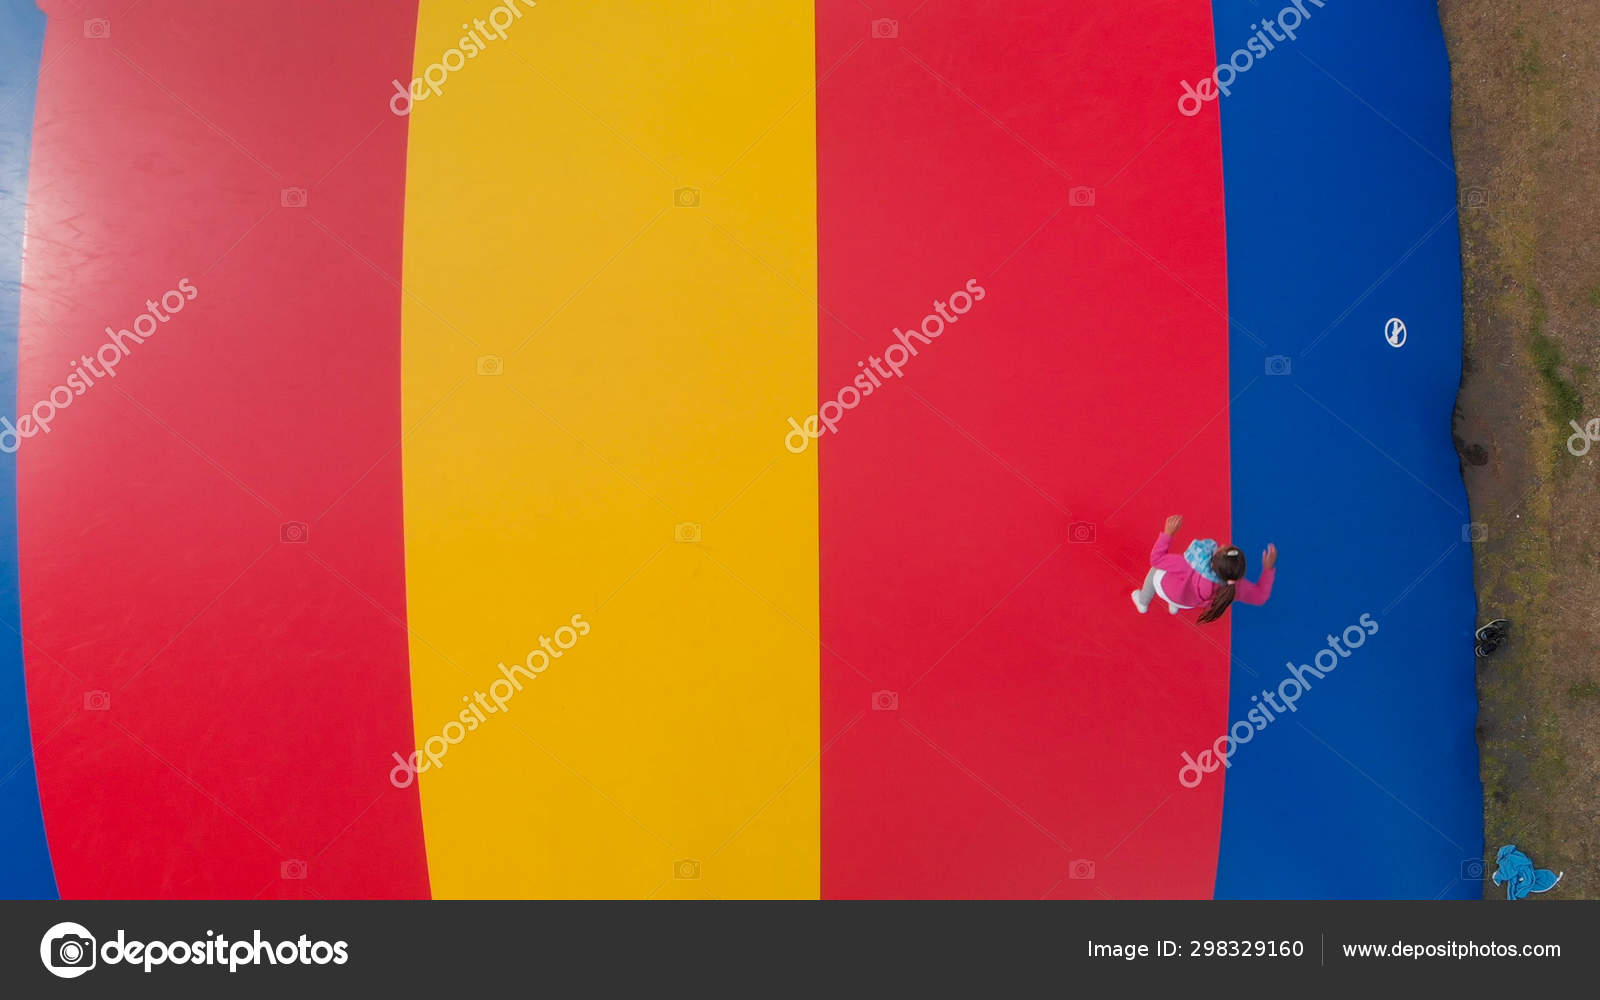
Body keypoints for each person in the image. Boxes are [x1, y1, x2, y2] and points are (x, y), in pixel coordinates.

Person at [1131, 515, 1277, 622]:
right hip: (1188, 603)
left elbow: (1156, 559)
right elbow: (1259, 597)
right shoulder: (1234, 587)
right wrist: (1268, 569)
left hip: (1166, 590)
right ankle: (1174, 606)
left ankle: (1143, 602)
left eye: (1222, 548)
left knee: (1154, 571)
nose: (1223, 544)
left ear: (1212, 560)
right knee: (1179, 591)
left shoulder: (1188, 564)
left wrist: (1167, 534)